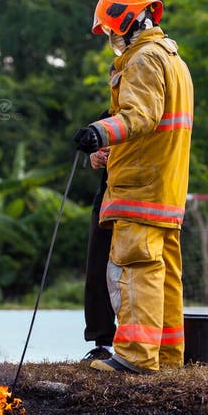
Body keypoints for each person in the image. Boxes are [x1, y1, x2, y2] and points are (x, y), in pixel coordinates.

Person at [73, 0, 193, 374]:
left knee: (134, 267)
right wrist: (111, 150)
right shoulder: (173, 59)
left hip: (140, 189)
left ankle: (136, 356)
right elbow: (156, 129)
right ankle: (168, 356)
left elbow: (141, 117)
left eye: (111, 29)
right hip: (167, 189)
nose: (111, 37)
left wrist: (99, 132)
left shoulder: (142, 59)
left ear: (127, 21)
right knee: (165, 276)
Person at [80, 136, 115, 362]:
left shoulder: (148, 112)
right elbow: (92, 148)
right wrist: (93, 156)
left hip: (141, 204)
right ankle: (102, 343)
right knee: (97, 272)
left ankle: (147, 345)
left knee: (139, 276)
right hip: (105, 202)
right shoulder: (109, 116)